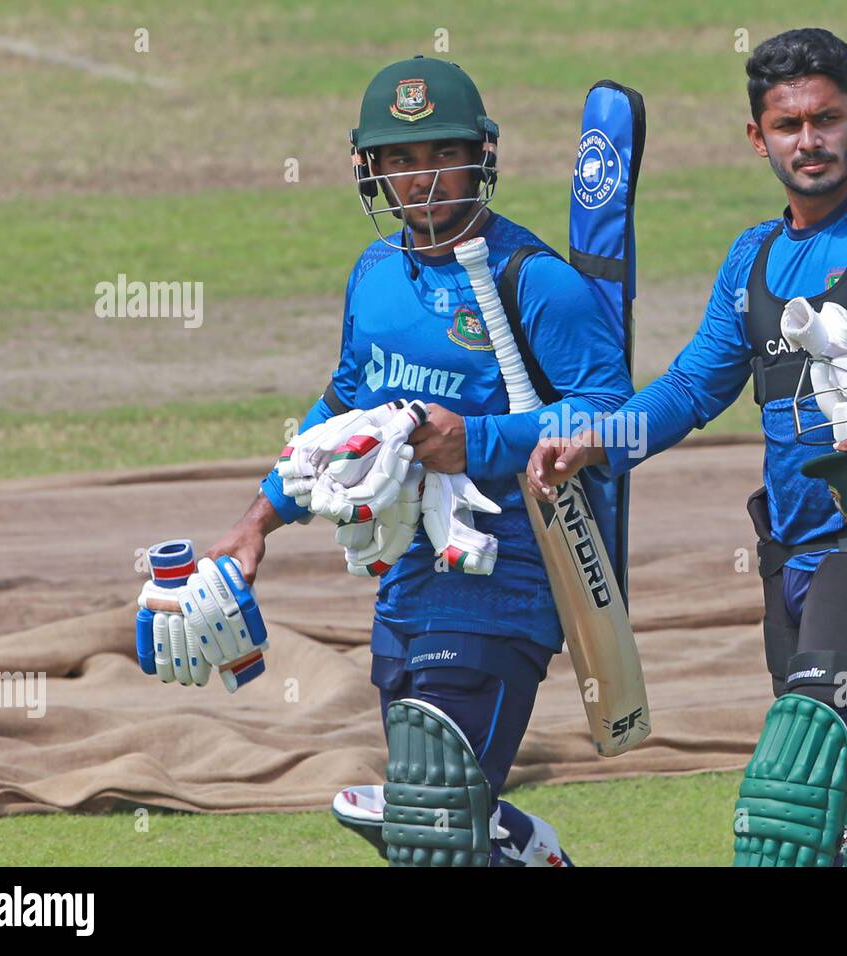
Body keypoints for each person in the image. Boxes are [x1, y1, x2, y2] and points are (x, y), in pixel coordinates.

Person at [526, 28, 847, 866]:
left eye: (827, 119)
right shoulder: (752, 260)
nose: (811, 141)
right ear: (757, 138)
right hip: (787, 563)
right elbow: (691, 390)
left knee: (789, 802)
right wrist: (594, 440)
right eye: (790, 125)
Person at [205, 55, 633, 866]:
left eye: (441, 153)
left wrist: (477, 440)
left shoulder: (534, 281)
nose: (423, 178)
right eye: (399, 159)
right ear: (371, 171)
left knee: (432, 818)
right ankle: (524, 849)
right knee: (439, 837)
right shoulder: (373, 277)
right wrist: (259, 517)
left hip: (506, 576)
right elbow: (339, 410)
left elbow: (610, 415)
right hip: (401, 580)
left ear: (482, 156)